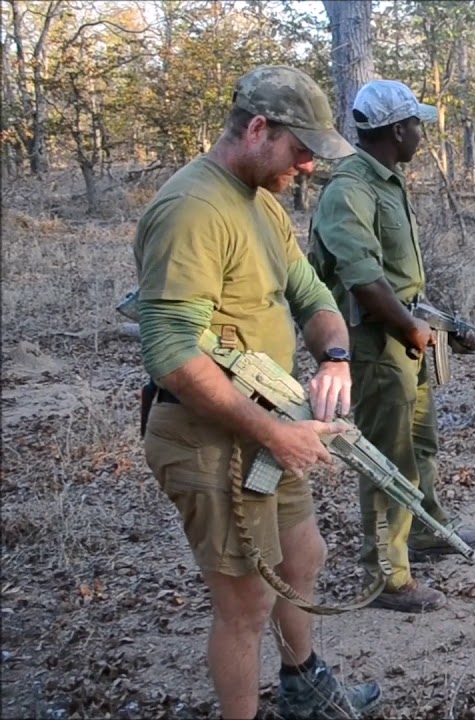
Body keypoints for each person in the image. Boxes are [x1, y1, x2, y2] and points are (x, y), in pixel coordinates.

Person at [132, 65, 381, 720]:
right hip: (209, 436)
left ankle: (304, 688)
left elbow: (310, 294)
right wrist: (275, 433)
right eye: (299, 150)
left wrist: (335, 358)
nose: (307, 167)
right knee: (245, 605)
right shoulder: (193, 211)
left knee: (302, 556)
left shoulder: (262, 201)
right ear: (258, 129)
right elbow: (172, 354)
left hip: (273, 428)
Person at [307, 79, 475, 614]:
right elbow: (362, 278)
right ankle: (387, 575)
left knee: (420, 443)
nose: (421, 135)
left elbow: (395, 276)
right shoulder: (351, 188)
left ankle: (423, 530)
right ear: (397, 130)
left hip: (404, 332)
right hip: (376, 341)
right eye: (416, 125)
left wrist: (428, 324)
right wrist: (409, 329)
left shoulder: (386, 180)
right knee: (388, 458)